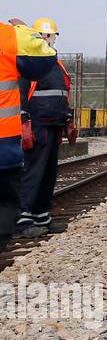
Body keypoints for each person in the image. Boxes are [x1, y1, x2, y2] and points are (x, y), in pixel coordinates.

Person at [1, 19, 58, 253]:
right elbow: (45, 57)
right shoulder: (10, 37)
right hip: (5, 144)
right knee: (6, 201)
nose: (49, 38)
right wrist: (25, 30)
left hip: (42, 126)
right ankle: (22, 222)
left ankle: (40, 215)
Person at [16, 17, 75, 236]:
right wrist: (24, 121)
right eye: (46, 36)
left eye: (51, 36)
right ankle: (24, 218)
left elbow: (61, 93)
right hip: (37, 125)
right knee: (33, 171)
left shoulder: (55, 63)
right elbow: (22, 93)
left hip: (54, 124)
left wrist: (67, 116)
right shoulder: (29, 63)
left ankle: (42, 216)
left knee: (49, 173)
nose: (49, 40)